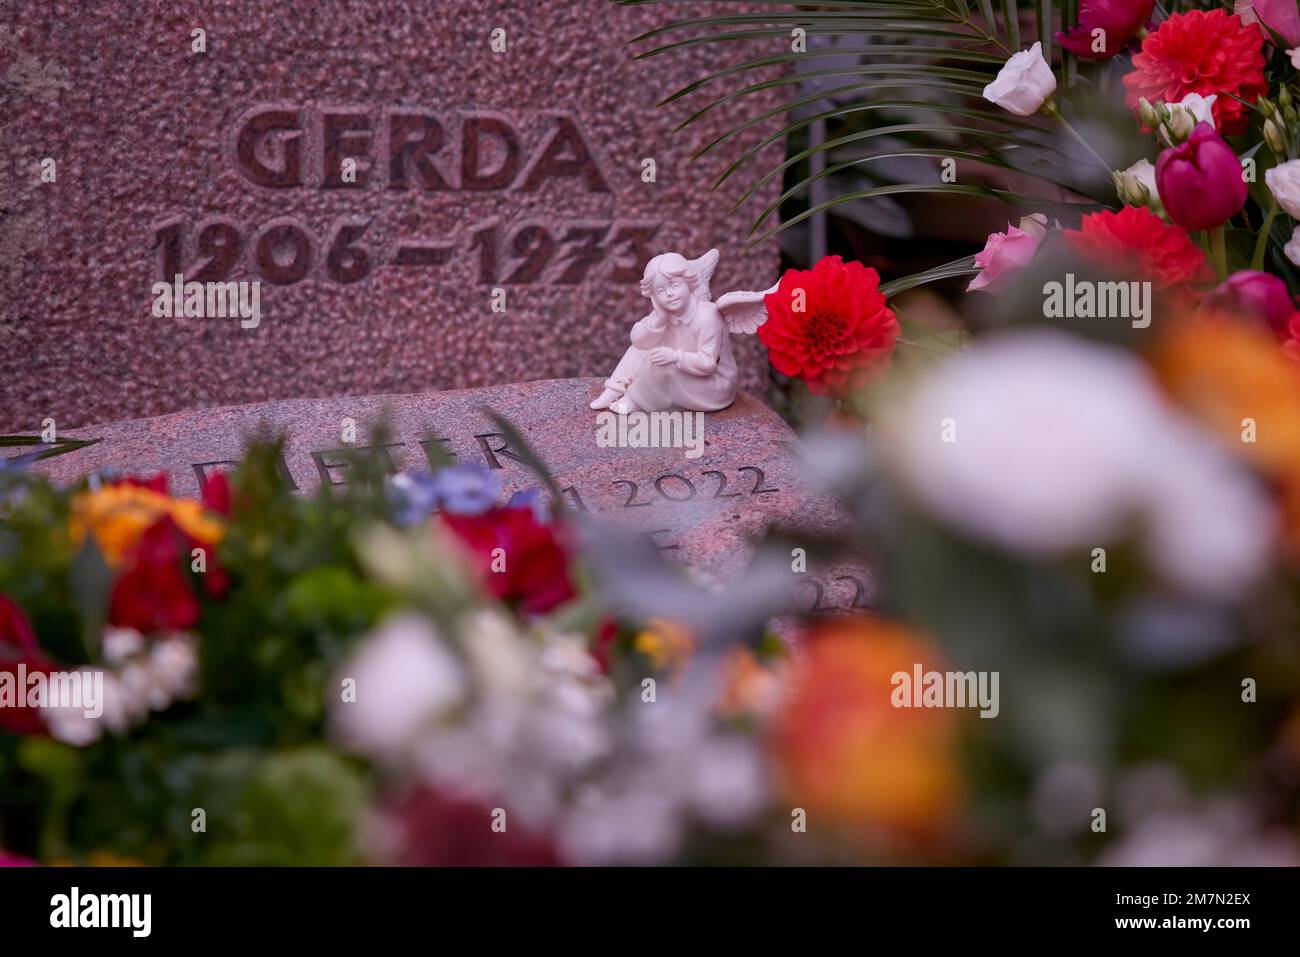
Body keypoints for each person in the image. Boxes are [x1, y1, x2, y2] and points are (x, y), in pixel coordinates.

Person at [589, 252, 738, 414]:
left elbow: (708, 364)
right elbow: (638, 342)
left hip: (712, 388)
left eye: (674, 286)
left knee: (664, 365)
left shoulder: (708, 317)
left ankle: (635, 400)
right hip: (685, 376)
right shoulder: (666, 313)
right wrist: (657, 320)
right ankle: (614, 390)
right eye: (660, 291)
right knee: (641, 350)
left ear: (689, 284)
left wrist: (676, 357)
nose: (669, 294)